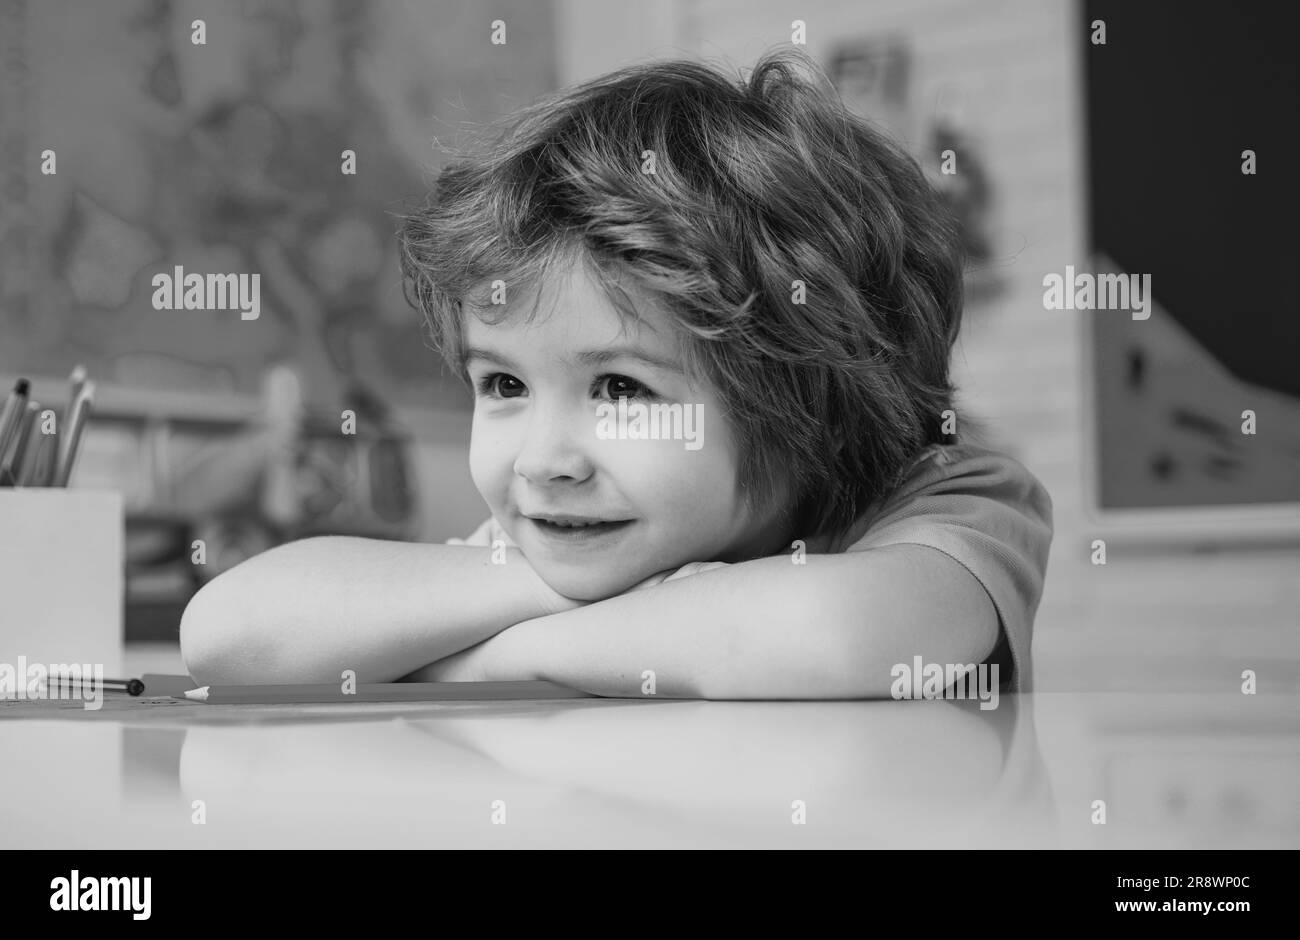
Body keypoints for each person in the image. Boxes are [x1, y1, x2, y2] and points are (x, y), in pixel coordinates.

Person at [181, 49, 1053, 700]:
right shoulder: (570, 533)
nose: (542, 461)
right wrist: (543, 589)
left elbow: (841, 636)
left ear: (810, 400)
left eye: (622, 389)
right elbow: (228, 633)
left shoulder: (952, 494)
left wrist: (492, 657)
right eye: (505, 387)